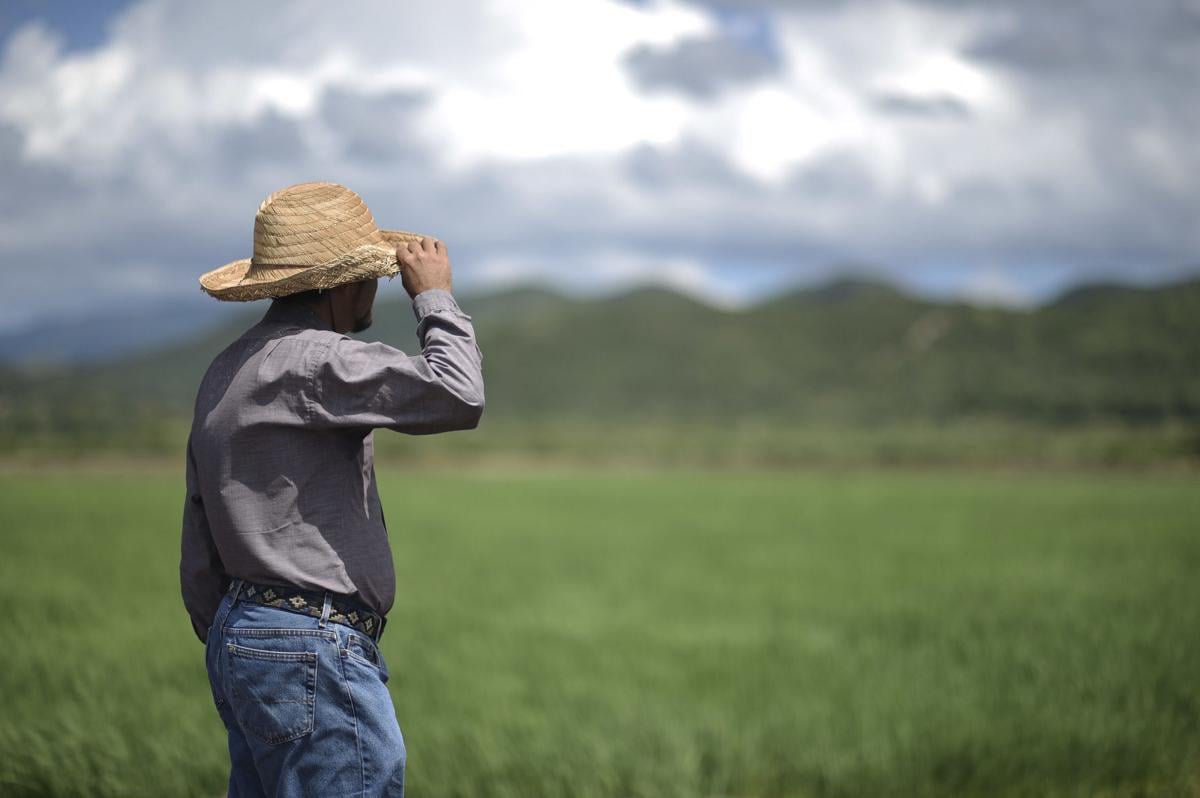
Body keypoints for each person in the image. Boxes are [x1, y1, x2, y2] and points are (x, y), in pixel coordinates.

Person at [180, 181, 485, 797]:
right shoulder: (320, 361)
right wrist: (434, 296)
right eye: (373, 275)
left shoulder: (226, 368)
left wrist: (241, 637)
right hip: (309, 640)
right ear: (344, 285)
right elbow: (459, 394)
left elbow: (200, 526)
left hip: (241, 634)